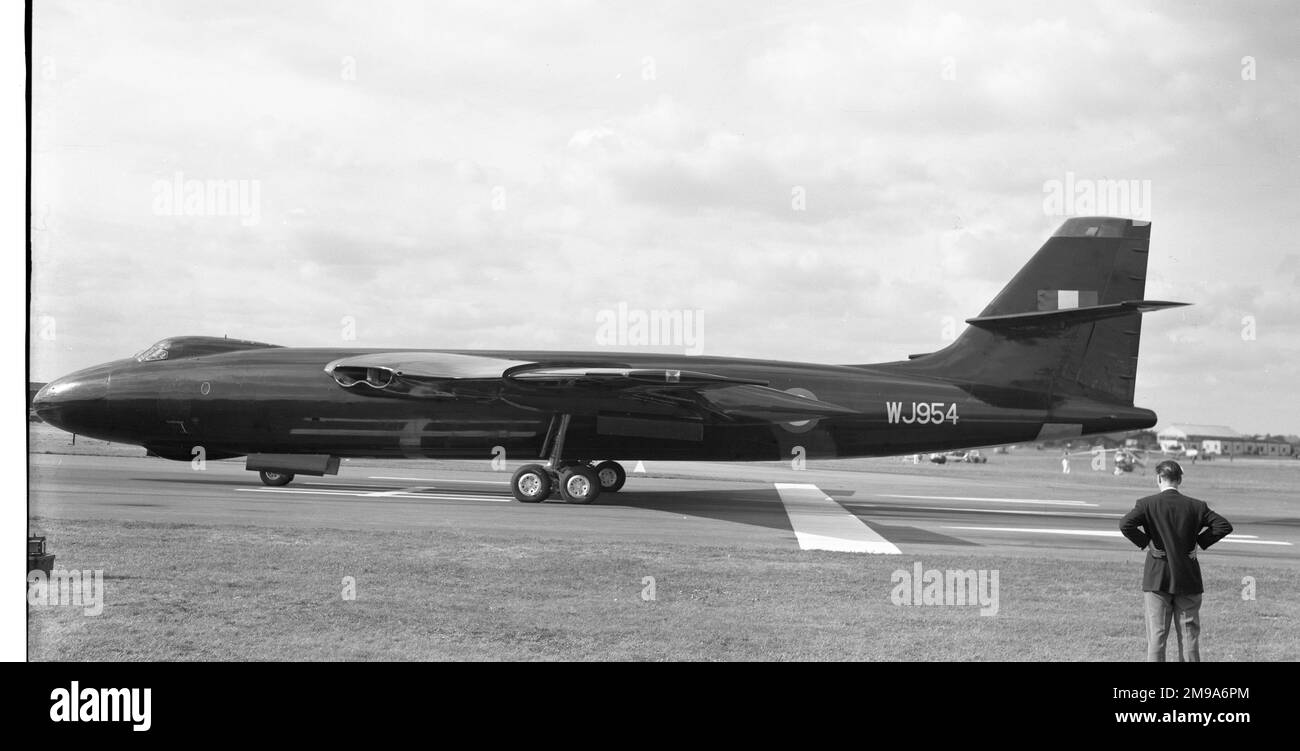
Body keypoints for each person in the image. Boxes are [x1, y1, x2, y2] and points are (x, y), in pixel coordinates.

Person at [1119, 460, 1233, 662]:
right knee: (1189, 637)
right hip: (1188, 578)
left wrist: (1147, 542)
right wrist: (1200, 541)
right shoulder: (1196, 506)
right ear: (1179, 479)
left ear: (1158, 478)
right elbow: (1223, 526)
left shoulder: (1147, 504)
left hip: (1157, 578)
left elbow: (1125, 524)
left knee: (1157, 636)